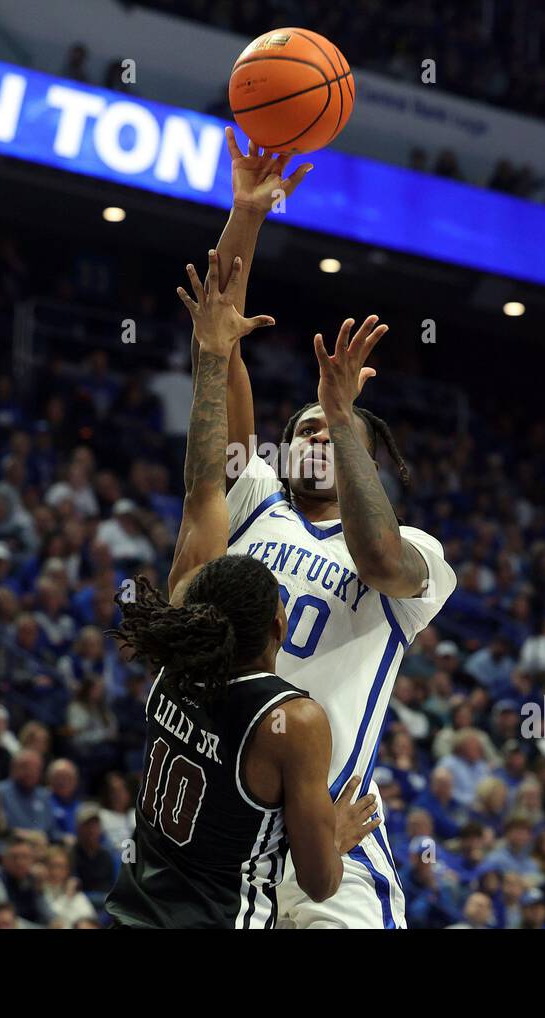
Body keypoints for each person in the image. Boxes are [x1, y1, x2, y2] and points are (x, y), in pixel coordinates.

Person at [206, 129, 457, 927]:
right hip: (223, 821)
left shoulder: (418, 555)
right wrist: (248, 213)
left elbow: (377, 554)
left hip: (333, 832)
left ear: (371, 463)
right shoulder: (251, 499)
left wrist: (346, 415)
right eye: (308, 425)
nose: (317, 431)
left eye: (337, 430)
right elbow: (219, 342)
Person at [104, 250, 378, 928]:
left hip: (131, 912)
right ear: (277, 632)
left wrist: (212, 353)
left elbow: (201, 490)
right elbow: (318, 882)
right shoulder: (294, 722)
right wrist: (336, 836)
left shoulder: (175, 659)